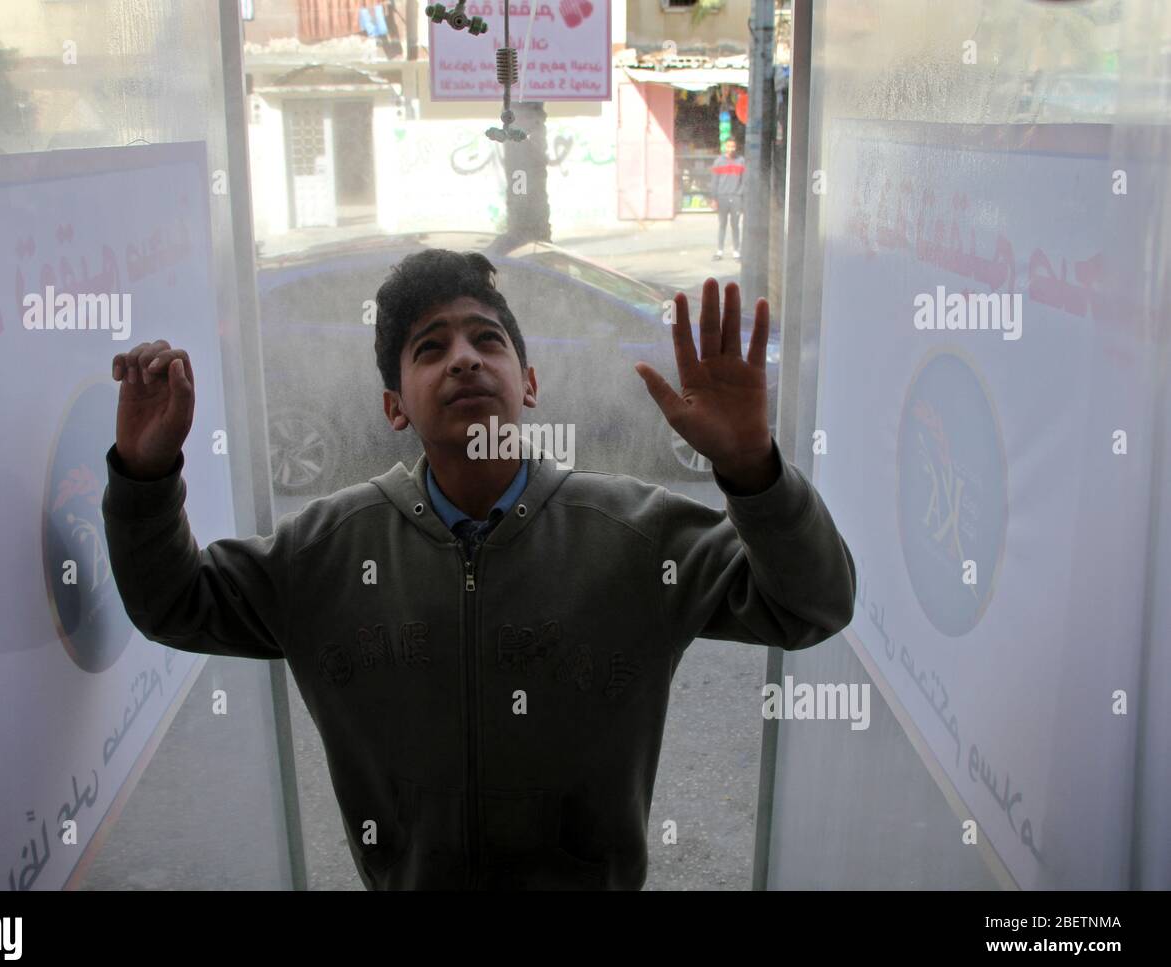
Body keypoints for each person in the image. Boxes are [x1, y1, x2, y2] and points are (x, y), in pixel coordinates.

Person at [101, 249, 856, 890]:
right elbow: (174, 602)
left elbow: (811, 607)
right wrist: (145, 470)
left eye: (486, 340)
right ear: (395, 407)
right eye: (430, 348)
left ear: (528, 385)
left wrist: (754, 472)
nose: (463, 357)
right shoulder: (326, 551)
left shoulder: (639, 535)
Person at [710, 137, 745, 261]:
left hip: (736, 197)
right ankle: (719, 251)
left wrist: (741, 195)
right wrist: (714, 198)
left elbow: (744, 181)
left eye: (733, 146)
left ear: (736, 147)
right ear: (725, 147)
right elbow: (714, 181)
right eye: (729, 146)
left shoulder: (741, 161)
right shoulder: (718, 162)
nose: (731, 149)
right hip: (722, 197)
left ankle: (736, 251)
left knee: (735, 225)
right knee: (722, 224)